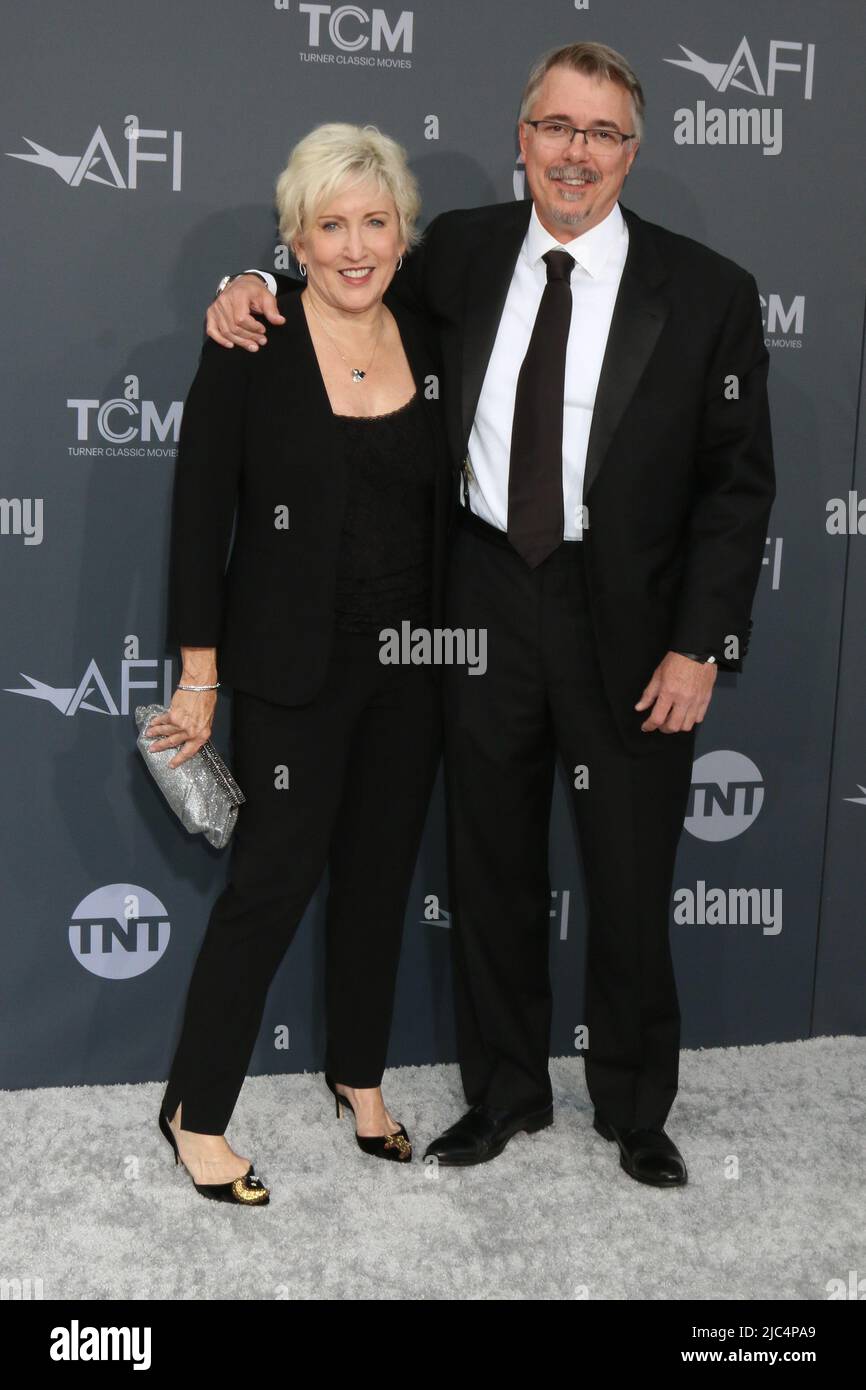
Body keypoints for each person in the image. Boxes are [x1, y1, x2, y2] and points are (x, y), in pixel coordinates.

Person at [205, 42, 776, 1187]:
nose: (575, 153)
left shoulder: (707, 291)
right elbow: (339, 277)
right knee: (489, 866)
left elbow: (736, 486)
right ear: (520, 139)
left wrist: (698, 644)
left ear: (632, 150)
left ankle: (633, 1106)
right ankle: (505, 1090)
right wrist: (250, 283)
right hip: (470, 601)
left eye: (602, 132)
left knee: (625, 871)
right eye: (555, 128)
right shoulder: (456, 252)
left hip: (629, 621)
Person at [146, 122, 453, 1203]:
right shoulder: (252, 341)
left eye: (376, 222)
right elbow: (199, 518)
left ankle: (357, 1076)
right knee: (272, 880)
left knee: (379, 876)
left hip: (411, 664)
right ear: (295, 238)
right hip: (289, 666)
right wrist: (198, 672)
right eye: (332, 225)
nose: (356, 246)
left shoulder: (431, 324)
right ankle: (195, 1104)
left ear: (403, 235)